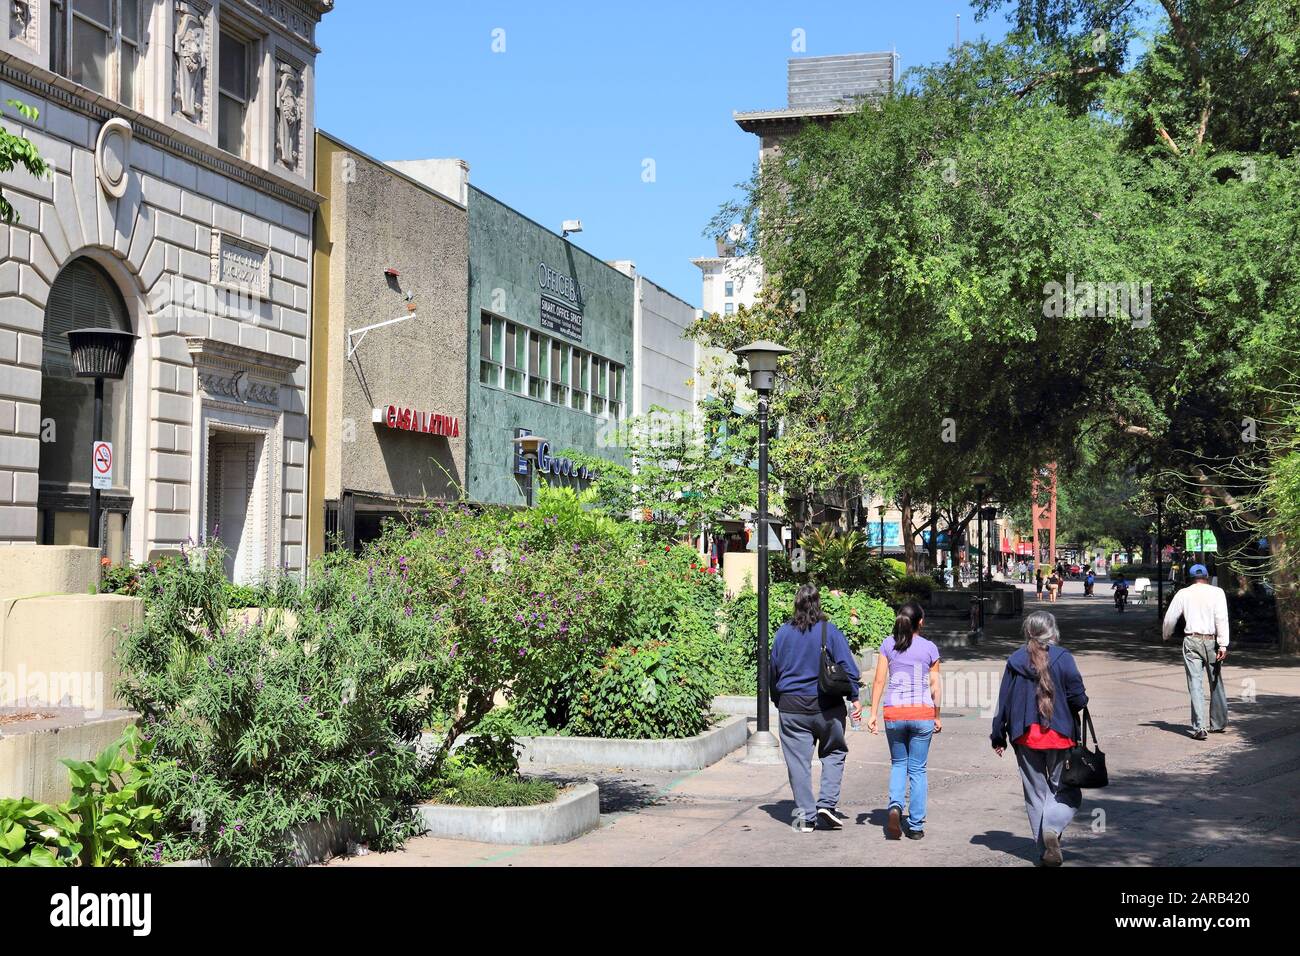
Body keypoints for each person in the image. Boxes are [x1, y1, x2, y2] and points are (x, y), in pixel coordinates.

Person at [991, 611, 1089, 867]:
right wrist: (1080, 702)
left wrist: (998, 735)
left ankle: (1045, 852)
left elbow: (1004, 700)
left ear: (1028, 632)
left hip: (1024, 734)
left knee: (1035, 794)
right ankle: (1053, 830)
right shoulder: (1063, 658)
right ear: (1053, 632)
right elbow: (1078, 698)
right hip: (1059, 734)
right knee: (1066, 791)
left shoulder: (1014, 660)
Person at [770, 584, 861, 832]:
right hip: (827, 706)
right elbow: (850, 669)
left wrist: (779, 701)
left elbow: (773, 672)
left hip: (791, 707)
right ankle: (827, 805)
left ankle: (806, 817)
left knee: (798, 763)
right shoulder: (829, 632)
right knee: (834, 752)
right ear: (818, 604)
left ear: (796, 604)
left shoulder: (782, 634)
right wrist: (855, 698)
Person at [867, 602, 941, 840]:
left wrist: (872, 714)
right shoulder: (930, 648)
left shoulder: (888, 645)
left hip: (894, 713)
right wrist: (937, 716)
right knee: (918, 769)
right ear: (920, 621)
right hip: (921, 714)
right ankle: (916, 825)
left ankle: (895, 808)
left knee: (899, 764)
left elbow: (878, 681)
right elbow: (935, 686)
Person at [1162, 563, 1230, 739]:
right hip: (1211, 641)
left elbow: (1170, 618)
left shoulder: (1183, 593)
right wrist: (1223, 644)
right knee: (1215, 681)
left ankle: (1200, 727)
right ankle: (1218, 722)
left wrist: (1166, 634)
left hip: (1191, 640)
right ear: (1207, 576)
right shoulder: (1217, 592)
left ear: (1190, 578)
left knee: (1195, 683)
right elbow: (1221, 618)